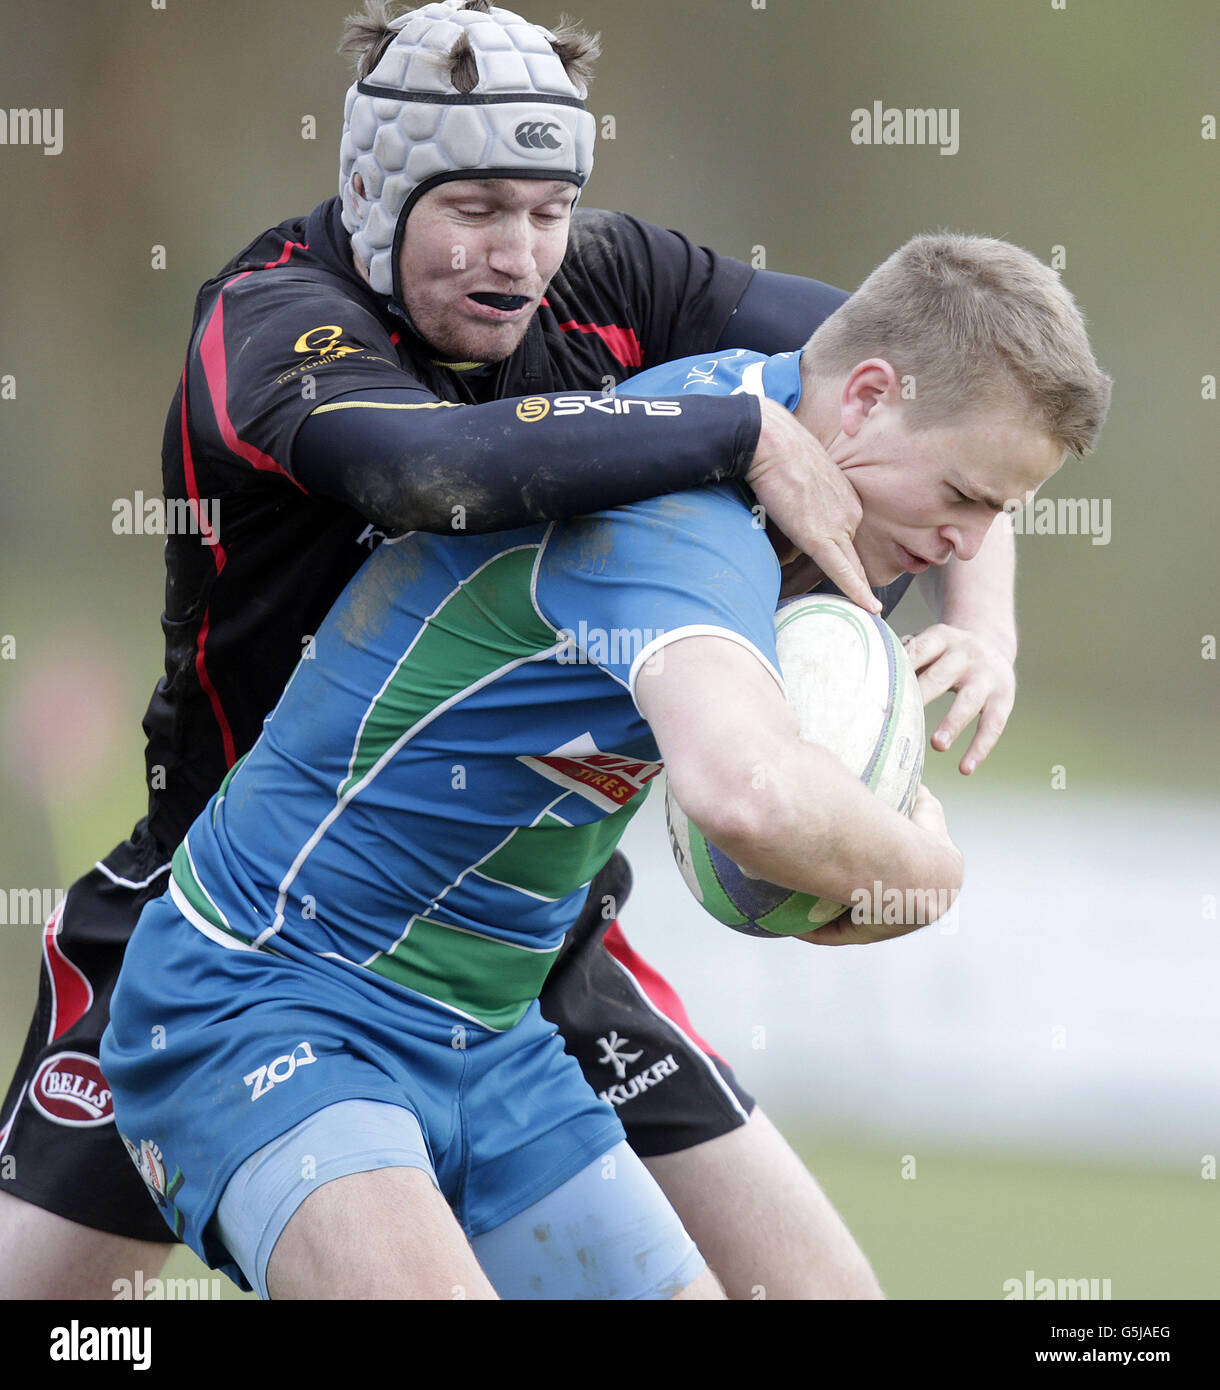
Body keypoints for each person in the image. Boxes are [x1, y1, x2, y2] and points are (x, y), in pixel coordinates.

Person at [0, 0, 1034, 1301]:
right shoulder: (271, 323)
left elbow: (929, 383)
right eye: (478, 206)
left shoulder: (604, 279)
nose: (520, 253)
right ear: (374, 184)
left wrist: (981, 622)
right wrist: (731, 434)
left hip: (521, 952)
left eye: (547, 208)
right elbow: (434, 471)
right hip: (249, 919)